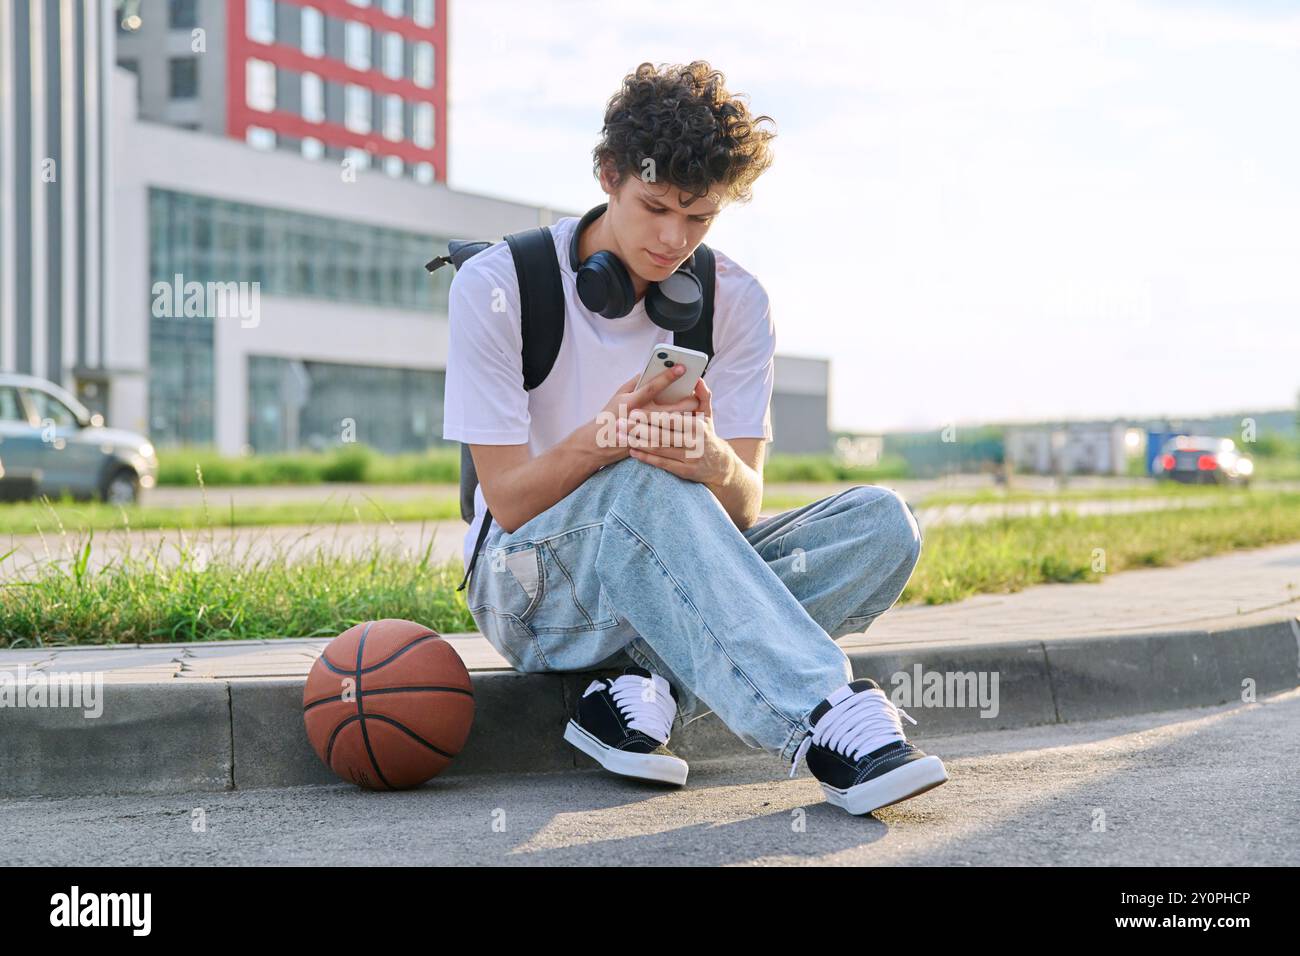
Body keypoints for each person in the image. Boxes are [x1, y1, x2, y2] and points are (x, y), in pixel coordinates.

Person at [442, 61, 947, 815]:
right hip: (530, 590)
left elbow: (742, 508)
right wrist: (608, 438)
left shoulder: (737, 300)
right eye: (655, 208)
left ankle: (634, 690)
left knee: (881, 524)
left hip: (676, 569)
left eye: (700, 217)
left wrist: (712, 462)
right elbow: (508, 502)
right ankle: (825, 718)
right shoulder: (497, 285)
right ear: (609, 174)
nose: (674, 240)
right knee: (639, 482)